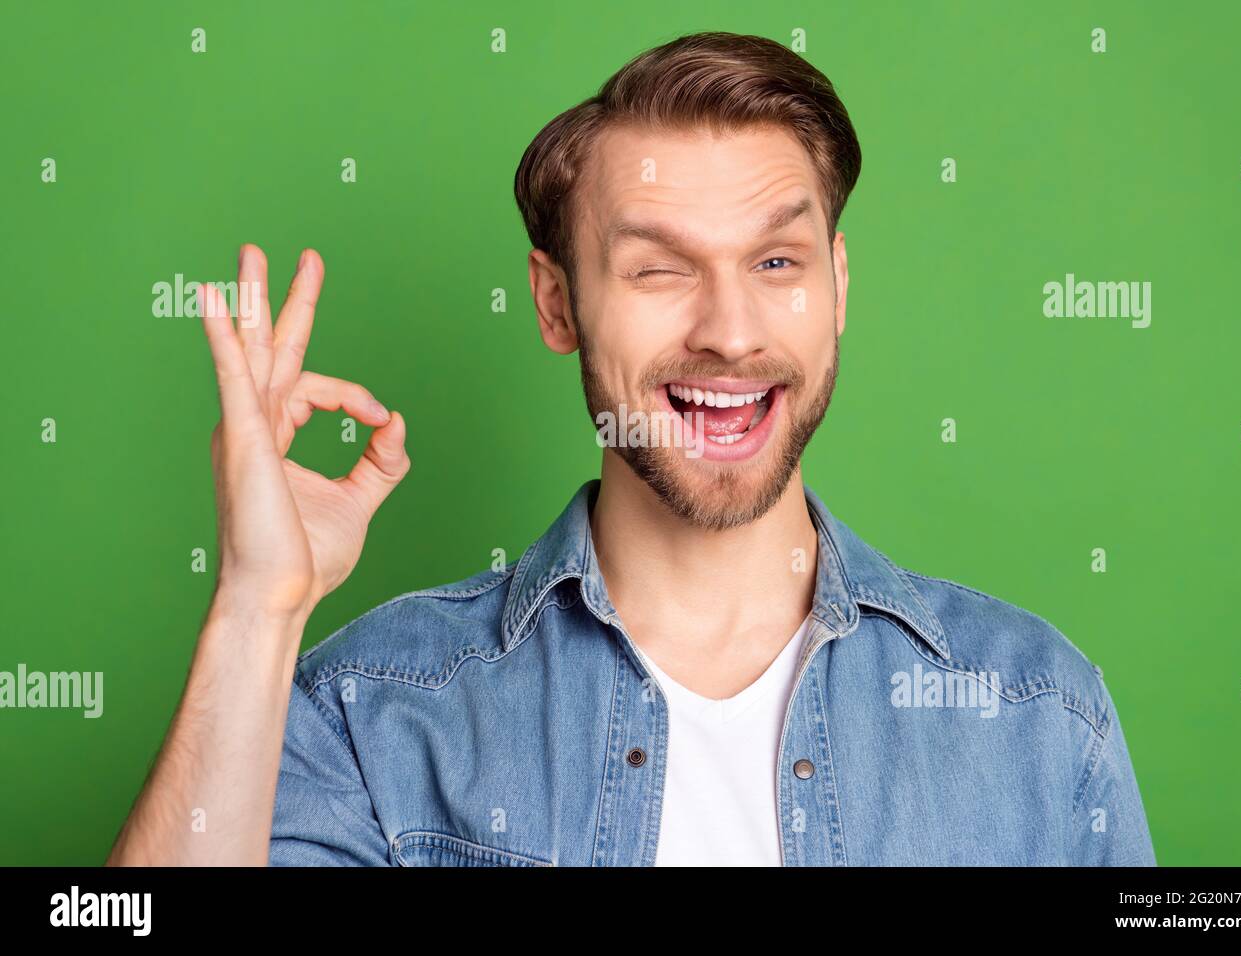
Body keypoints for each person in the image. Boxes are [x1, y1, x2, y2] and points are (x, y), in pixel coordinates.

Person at [107, 31, 1155, 867]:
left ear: (837, 285)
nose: (731, 331)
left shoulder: (1037, 714)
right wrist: (255, 607)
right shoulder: (371, 715)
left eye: (777, 259)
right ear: (557, 302)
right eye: (660, 269)